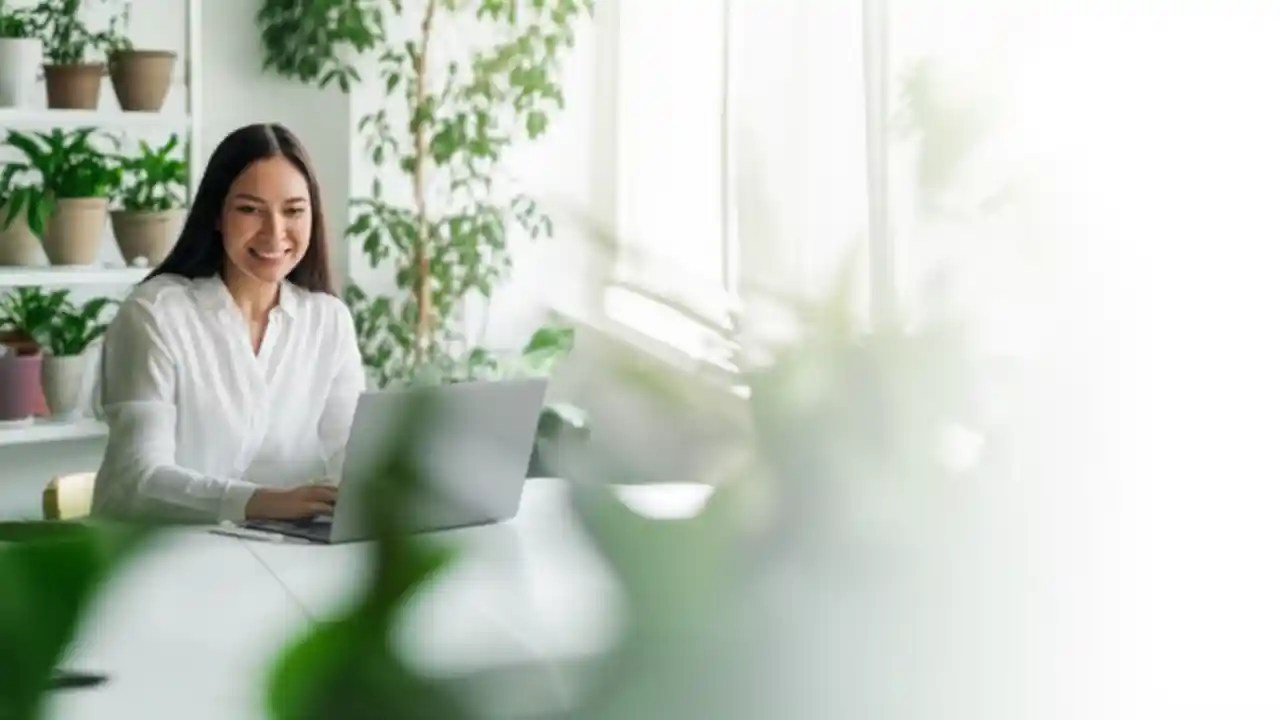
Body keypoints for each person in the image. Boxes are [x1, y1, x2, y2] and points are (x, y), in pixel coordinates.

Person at [91, 123, 366, 523]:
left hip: (282, 556)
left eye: (293, 211)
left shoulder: (329, 321)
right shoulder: (156, 314)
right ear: (217, 215)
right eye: (250, 209)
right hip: (157, 563)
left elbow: (355, 458)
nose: (275, 233)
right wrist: (258, 502)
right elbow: (135, 480)